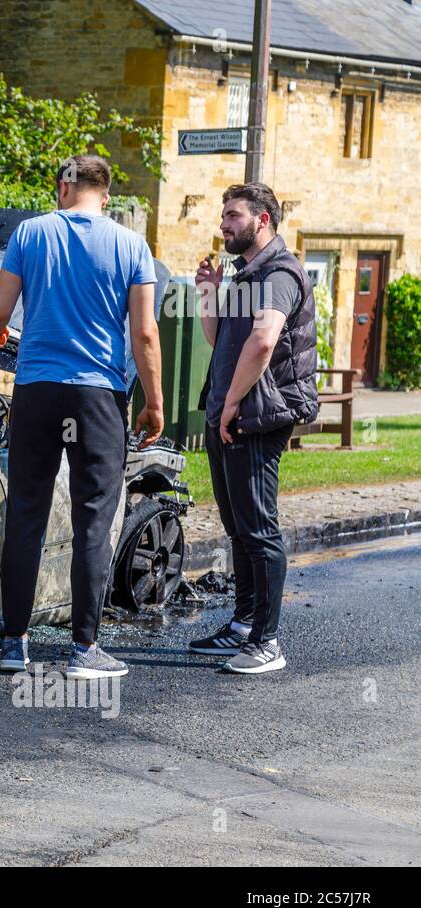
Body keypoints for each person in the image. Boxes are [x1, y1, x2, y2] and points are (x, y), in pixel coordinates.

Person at [0, 155, 163, 680]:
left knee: (27, 515)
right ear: (104, 196)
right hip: (98, 397)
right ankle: (84, 650)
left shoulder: (30, 234)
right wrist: (154, 401)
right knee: (93, 519)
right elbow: (145, 333)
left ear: (64, 187)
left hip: (38, 390)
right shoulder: (131, 245)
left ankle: (14, 644)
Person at [189, 183, 318, 674]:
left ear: (262, 220)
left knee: (260, 529)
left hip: (256, 415)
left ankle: (267, 643)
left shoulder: (280, 274)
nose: (224, 224)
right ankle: (243, 627)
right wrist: (208, 292)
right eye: (223, 216)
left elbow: (263, 343)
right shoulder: (245, 276)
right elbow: (218, 337)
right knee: (238, 527)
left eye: (233, 215)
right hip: (229, 413)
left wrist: (234, 403)